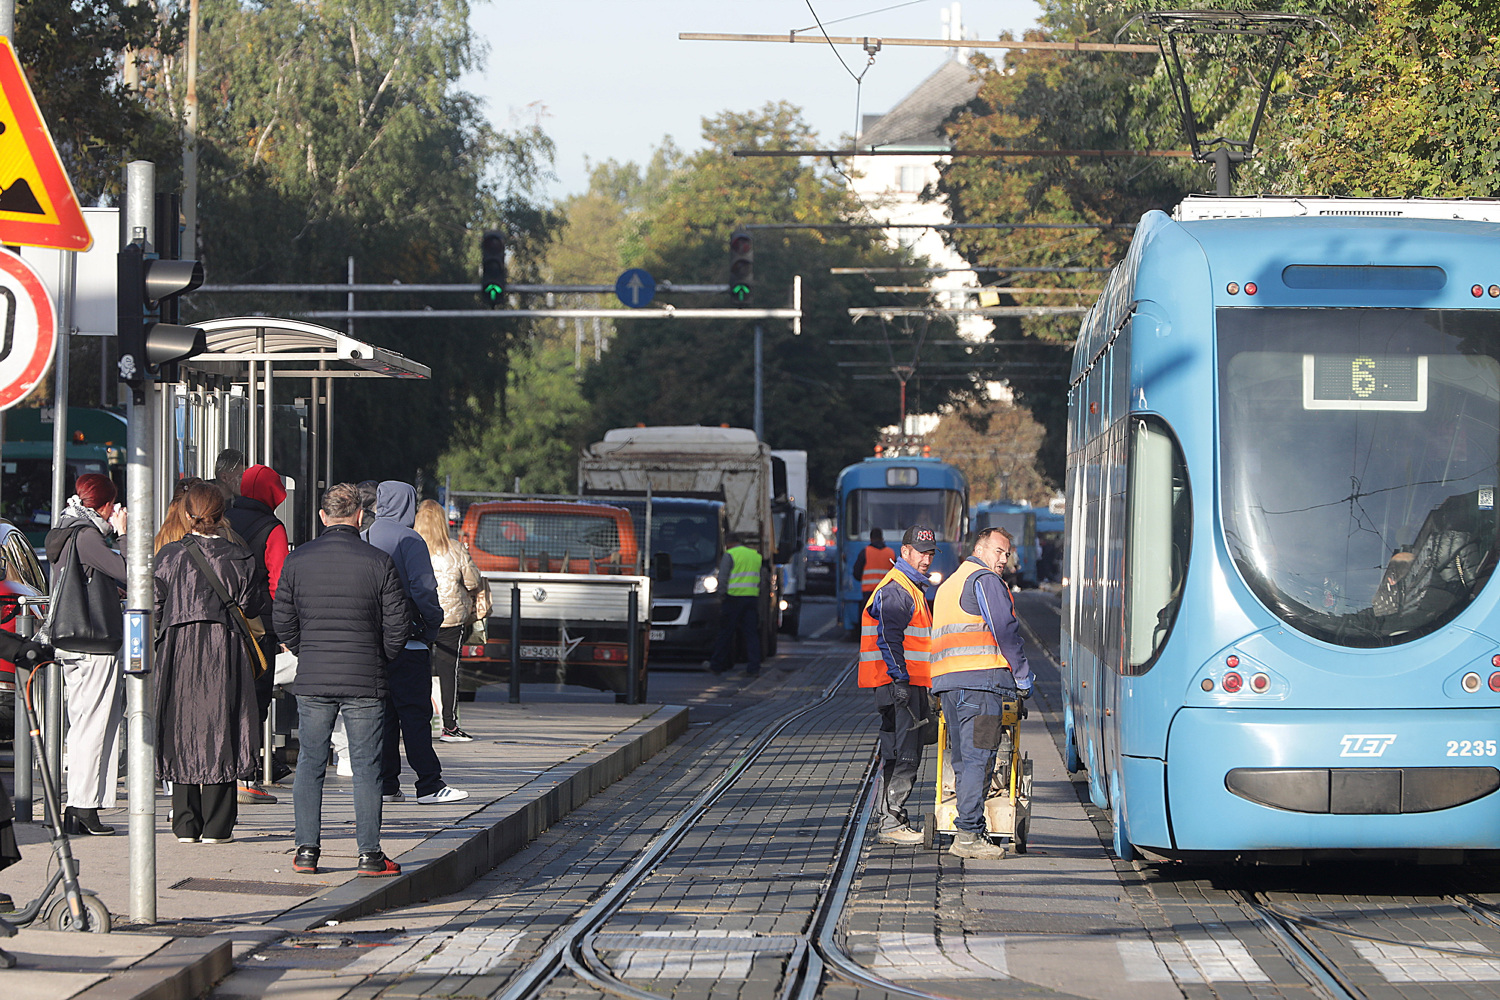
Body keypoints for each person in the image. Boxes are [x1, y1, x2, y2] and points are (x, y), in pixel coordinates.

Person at [275, 483, 409, 876]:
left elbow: (283, 618)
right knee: (367, 766)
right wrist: (378, 657)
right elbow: (397, 625)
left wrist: (307, 648)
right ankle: (369, 854)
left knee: (310, 763)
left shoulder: (299, 560)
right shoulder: (378, 561)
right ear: (359, 516)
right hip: (365, 678)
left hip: (314, 676)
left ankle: (306, 852)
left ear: (323, 517)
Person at [153, 483, 268, 844]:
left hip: (179, 647)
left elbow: (155, 605)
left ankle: (186, 821)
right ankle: (218, 825)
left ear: (188, 514)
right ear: (222, 516)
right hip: (224, 646)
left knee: (180, 724)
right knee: (224, 724)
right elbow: (251, 606)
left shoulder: (169, 555)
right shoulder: (240, 557)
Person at [929, 526, 1034, 860]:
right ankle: (969, 835)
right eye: (998, 551)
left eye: (1007, 554)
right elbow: (1005, 630)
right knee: (978, 759)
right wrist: (1022, 678)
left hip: (949, 686)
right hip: (980, 686)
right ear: (981, 548)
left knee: (962, 761)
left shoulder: (950, 584)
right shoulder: (984, 580)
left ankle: (967, 828)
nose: (1003, 559)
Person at [366, 481, 467, 804]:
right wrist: (431, 626)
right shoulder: (409, 539)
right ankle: (429, 783)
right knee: (414, 714)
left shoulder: (364, 536)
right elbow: (424, 591)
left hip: (373, 642)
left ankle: (386, 784)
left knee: (384, 715)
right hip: (408, 642)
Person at [45, 473, 128, 836]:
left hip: (74, 642)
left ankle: (78, 805)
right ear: (106, 505)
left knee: (82, 725)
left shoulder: (66, 529)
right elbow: (129, 573)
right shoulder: (87, 535)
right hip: (95, 643)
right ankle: (84, 806)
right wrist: (123, 534)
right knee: (95, 726)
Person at [860, 524, 937, 846]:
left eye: (931, 553)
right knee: (905, 755)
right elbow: (889, 639)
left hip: (902, 684)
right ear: (904, 552)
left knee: (896, 752)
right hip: (900, 686)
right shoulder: (898, 589)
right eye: (921, 552)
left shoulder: (910, 587)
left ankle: (890, 816)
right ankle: (891, 822)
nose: (927, 559)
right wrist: (901, 680)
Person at [225, 464, 292, 805]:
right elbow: (279, 582)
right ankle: (245, 775)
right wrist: (283, 628)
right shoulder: (273, 528)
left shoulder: (223, 519)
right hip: (259, 625)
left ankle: (221, 774)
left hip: (223, 621)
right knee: (256, 702)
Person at [413, 499, 489, 742]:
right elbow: (472, 582)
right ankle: (449, 726)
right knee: (449, 672)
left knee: (417, 670)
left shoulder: (409, 546)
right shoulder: (455, 548)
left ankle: (416, 723)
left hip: (418, 619)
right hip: (450, 618)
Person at [709, 532, 762, 676]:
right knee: (751, 634)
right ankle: (754, 667)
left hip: (733, 598)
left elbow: (723, 577)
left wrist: (721, 595)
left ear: (729, 543)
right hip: (751, 598)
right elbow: (760, 578)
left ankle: (717, 665)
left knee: (725, 633)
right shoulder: (755, 555)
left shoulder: (730, 555)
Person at [852, 528, 896, 602]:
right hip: (886, 592)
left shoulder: (865, 552)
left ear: (871, 539)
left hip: (868, 593)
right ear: (882, 538)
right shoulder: (891, 553)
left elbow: (856, 574)